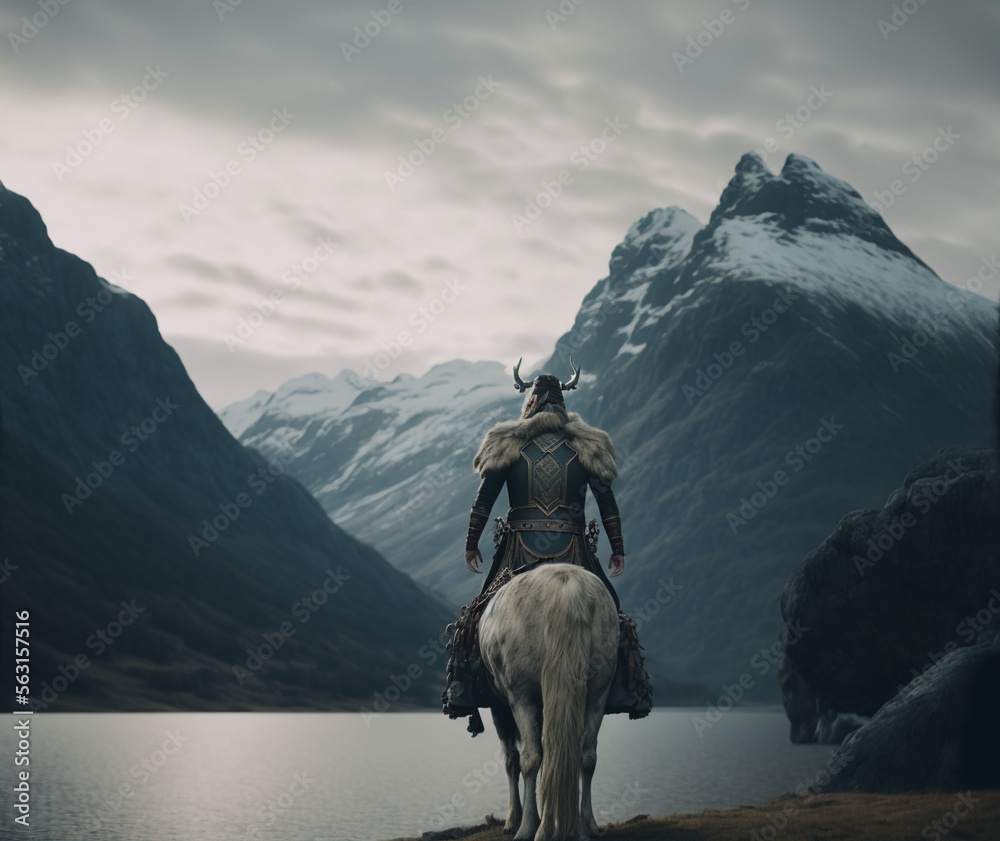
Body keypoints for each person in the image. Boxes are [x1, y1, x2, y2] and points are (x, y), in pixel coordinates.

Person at [442, 358, 652, 730]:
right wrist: (617, 548)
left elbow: (484, 500)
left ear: (532, 401)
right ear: (561, 405)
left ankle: (463, 687)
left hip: (518, 553)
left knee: (472, 620)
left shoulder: (507, 443)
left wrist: (471, 543)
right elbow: (607, 503)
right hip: (575, 552)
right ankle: (626, 687)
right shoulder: (588, 446)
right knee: (617, 623)